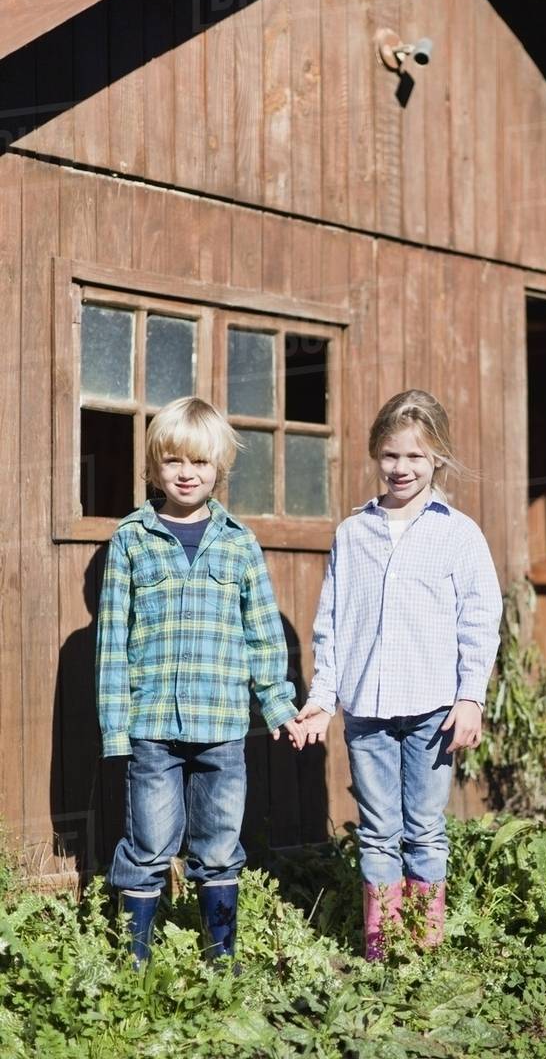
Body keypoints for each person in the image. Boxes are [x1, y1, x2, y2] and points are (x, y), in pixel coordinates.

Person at [96, 396, 305, 967]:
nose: (186, 474)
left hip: (222, 728)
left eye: (200, 462)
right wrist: (117, 730)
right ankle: (135, 964)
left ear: (220, 468)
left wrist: (279, 705)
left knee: (218, 846)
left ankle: (220, 962)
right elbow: (112, 641)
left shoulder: (239, 543)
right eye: (173, 461)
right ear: (153, 467)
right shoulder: (132, 539)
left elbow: (263, 634)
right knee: (148, 845)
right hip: (153, 728)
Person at [297, 389, 502, 959]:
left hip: (435, 710)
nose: (401, 467)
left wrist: (471, 697)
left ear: (438, 458)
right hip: (367, 712)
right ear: (375, 455)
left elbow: (480, 620)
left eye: (416, 456)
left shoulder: (458, 533)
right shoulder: (352, 533)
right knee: (378, 830)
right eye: (390, 455)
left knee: (425, 829)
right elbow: (332, 623)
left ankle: (423, 948)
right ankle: (383, 946)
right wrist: (323, 699)